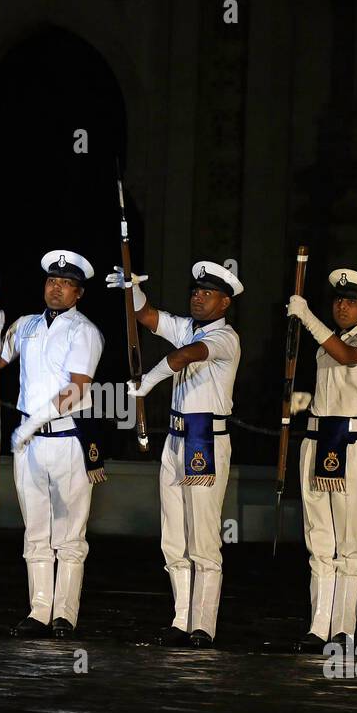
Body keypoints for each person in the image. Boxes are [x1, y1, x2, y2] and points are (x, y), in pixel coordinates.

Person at [114, 260, 242, 649]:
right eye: (196, 291)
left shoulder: (225, 338)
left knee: (203, 539)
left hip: (206, 439)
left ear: (224, 303)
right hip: (176, 438)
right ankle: (181, 618)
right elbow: (146, 317)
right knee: (173, 537)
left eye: (207, 293)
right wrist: (132, 289)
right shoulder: (188, 327)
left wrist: (147, 381)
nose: (197, 296)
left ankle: (204, 624)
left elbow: (186, 355)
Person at [0, 250, 105, 638]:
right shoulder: (27, 325)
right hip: (29, 443)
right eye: (52, 281)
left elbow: (78, 388)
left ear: (78, 293)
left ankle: (64, 615)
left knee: (69, 535)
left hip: (66, 438)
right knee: (36, 531)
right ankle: (39, 610)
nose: (56, 288)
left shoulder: (83, 331)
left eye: (65, 284)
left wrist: (35, 420)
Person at [286, 268, 357, 651]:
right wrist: (304, 403)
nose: (343, 306)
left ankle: (344, 628)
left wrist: (307, 316)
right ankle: (318, 626)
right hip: (317, 439)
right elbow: (331, 388)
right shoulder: (322, 344)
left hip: (352, 442)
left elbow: (347, 357)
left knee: (348, 542)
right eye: (339, 300)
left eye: (352, 302)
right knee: (319, 539)